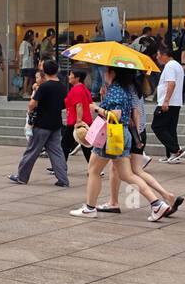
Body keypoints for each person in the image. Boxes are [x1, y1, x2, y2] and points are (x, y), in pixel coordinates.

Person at [69, 67, 175, 221]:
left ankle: (90, 208)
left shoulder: (116, 90)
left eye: (107, 71)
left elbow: (116, 115)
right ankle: (157, 204)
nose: (104, 74)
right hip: (122, 134)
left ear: (113, 74)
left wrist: (97, 108)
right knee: (127, 174)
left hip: (111, 133)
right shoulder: (122, 90)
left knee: (93, 170)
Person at [9, 59, 68, 186]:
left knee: (32, 151)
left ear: (44, 71)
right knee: (57, 152)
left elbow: (32, 103)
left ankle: (22, 177)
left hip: (42, 123)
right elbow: (64, 104)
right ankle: (63, 179)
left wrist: (30, 111)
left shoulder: (44, 86)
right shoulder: (62, 86)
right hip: (56, 123)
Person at [152, 44, 185, 162]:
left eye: (158, 55)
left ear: (165, 55)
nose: (157, 57)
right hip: (175, 102)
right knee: (170, 128)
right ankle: (171, 155)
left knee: (157, 126)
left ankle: (176, 150)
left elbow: (171, 83)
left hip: (168, 102)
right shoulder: (177, 65)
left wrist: (165, 101)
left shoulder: (170, 66)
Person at [60, 66, 93, 163]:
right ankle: (95, 168)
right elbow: (90, 104)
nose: (69, 76)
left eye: (71, 75)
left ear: (77, 78)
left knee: (65, 144)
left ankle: (60, 167)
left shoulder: (76, 89)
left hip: (76, 122)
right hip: (85, 121)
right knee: (86, 146)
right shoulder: (83, 88)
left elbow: (79, 105)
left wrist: (78, 121)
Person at [18, 30, 37, 98]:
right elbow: (21, 54)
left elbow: (32, 53)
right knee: (26, 78)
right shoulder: (24, 43)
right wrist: (20, 63)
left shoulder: (29, 43)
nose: (33, 37)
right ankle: (24, 93)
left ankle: (27, 92)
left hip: (30, 63)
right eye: (32, 35)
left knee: (30, 78)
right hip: (25, 64)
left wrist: (34, 46)